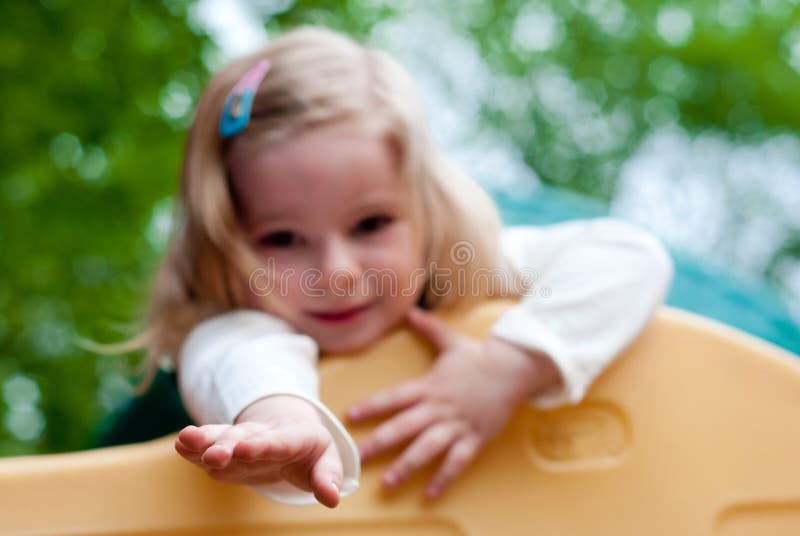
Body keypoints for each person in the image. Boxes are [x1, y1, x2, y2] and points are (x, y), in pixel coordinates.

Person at [137, 27, 673, 509]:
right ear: (223, 244)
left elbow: (628, 257)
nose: (338, 272)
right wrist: (281, 422)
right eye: (282, 238)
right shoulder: (232, 330)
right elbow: (238, 361)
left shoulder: (461, 273)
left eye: (370, 224)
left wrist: (503, 370)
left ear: (426, 209)